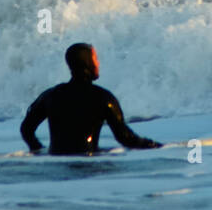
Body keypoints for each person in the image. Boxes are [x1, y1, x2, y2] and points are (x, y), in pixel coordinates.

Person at [20, 43, 162, 155]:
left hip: (56, 159)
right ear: (87, 63)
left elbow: (26, 129)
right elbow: (125, 138)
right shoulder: (103, 98)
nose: (98, 64)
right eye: (95, 59)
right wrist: (157, 146)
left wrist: (39, 150)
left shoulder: (50, 95)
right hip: (89, 161)